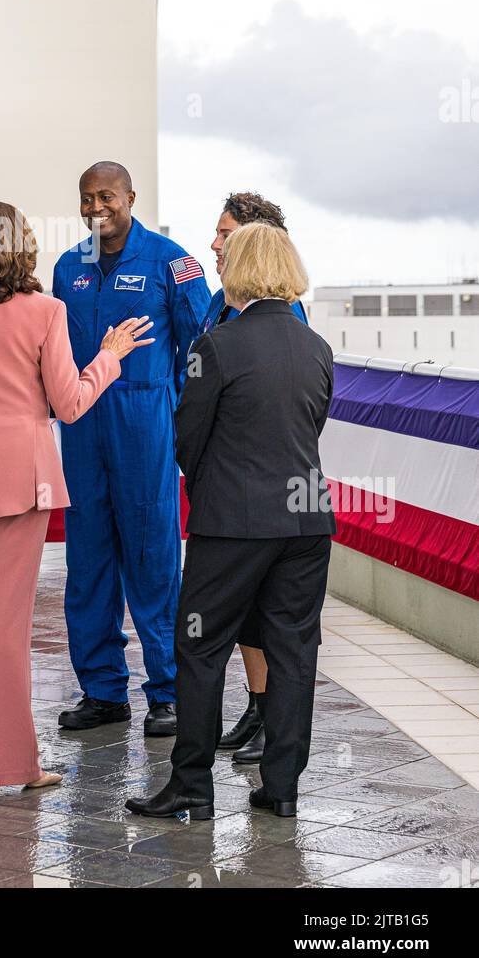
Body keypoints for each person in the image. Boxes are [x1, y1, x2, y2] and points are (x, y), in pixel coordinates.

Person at [0, 201, 153, 789]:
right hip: (21, 476)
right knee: (8, 624)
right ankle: (14, 765)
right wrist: (109, 358)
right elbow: (69, 404)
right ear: (23, 246)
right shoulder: (47, 311)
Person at [127, 222, 334, 820]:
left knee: (200, 646)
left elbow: (187, 439)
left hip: (232, 524)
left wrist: (216, 488)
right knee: (294, 651)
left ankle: (192, 783)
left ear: (239, 269)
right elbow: (312, 426)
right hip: (306, 523)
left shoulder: (216, 346)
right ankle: (282, 787)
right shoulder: (316, 346)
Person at [53, 162, 211, 737]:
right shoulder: (68, 267)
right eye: (86, 198)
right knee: (88, 561)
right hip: (81, 428)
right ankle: (102, 691)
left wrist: (179, 422)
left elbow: (203, 352)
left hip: (145, 428)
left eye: (107, 197)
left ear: (130, 198)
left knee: (153, 561)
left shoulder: (172, 262)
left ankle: (168, 692)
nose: (96, 208)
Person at [204, 192, 309, 766]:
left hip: (266, 498)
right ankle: (256, 706)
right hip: (230, 490)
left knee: (268, 615)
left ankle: (272, 719)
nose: (214, 244)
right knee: (246, 618)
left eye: (225, 234)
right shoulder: (220, 303)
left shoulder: (286, 314)